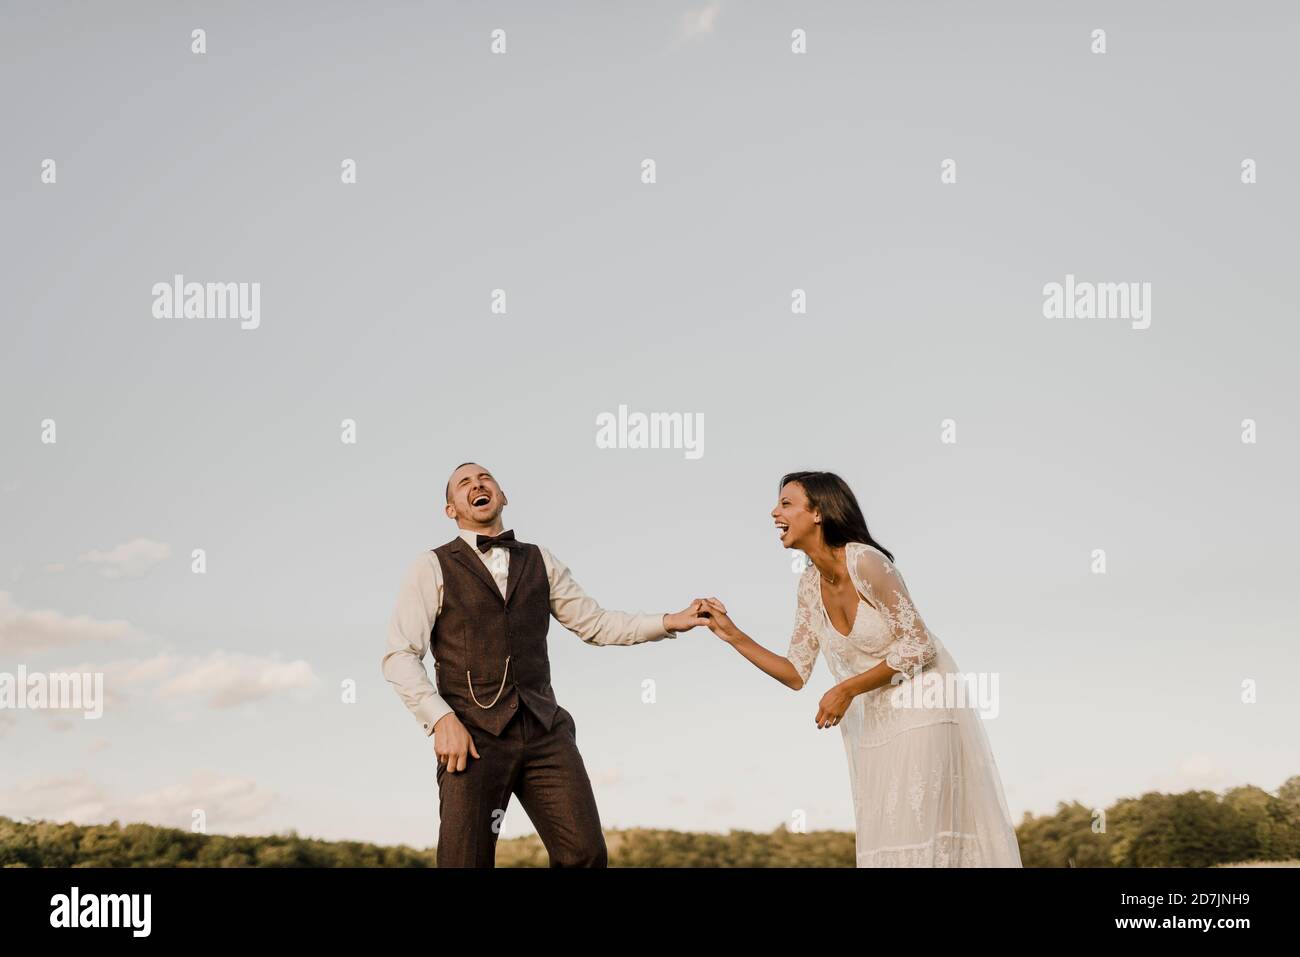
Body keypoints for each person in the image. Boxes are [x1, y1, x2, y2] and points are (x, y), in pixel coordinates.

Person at [382, 461, 708, 867]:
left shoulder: (541, 560)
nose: (477, 484)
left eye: (485, 479)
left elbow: (597, 623)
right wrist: (440, 719)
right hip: (471, 736)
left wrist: (669, 621)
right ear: (451, 509)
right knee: (464, 860)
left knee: (585, 855)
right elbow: (400, 655)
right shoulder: (430, 566)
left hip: (545, 731)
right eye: (463, 482)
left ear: (502, 496)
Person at [698, 471, 1022, 867]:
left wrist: (847, 689)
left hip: (925, 705)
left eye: (785, 504)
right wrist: (731, 634)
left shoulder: (867, 562)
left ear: (818, 513)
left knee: (921, 837)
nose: (773, 513)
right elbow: (795, 672)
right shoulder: (808, 585)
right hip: (874, 728)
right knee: (887, 839)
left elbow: (918, 644)